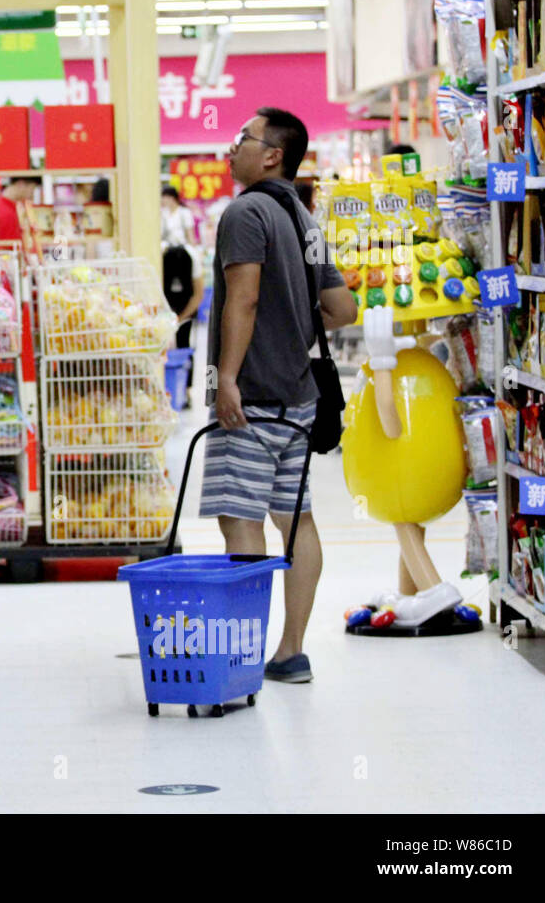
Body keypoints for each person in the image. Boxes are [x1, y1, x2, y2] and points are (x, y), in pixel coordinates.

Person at [200, 107, 358, 683]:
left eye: (243, 137)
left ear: (272, 155)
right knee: (297, 522)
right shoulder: (303, 218)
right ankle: (291, 651)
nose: (232, 146)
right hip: (299, 400)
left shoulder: (246, 213)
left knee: (239, 520)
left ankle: (243, 653)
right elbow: (343, 309)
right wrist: (292, 318)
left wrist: (228, 379)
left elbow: (241, 300)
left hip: (253, 398)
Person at [160, 186, 204, 407]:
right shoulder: (161, 255)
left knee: (186, 344)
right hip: (167, 306)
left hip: (184, 306)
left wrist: (182, 317)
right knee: (164, 347)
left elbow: (198, 294)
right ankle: (166, 390)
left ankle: (185, 390)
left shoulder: (191, 257)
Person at [0, 176, 40, 240]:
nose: (32, 195)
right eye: (32, 189)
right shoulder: (7, 213)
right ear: (21, 184)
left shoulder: (2, 205)